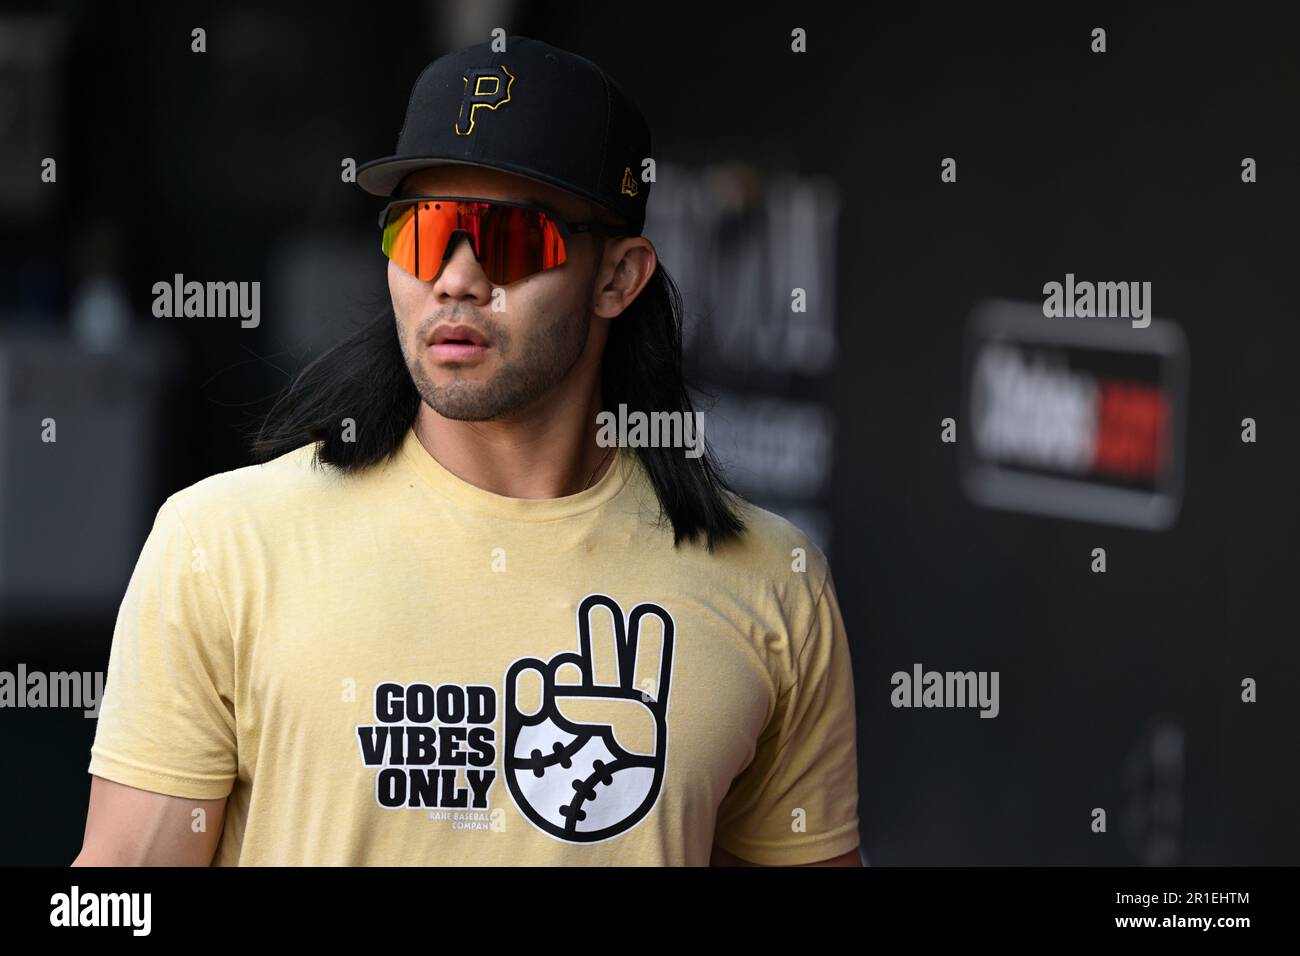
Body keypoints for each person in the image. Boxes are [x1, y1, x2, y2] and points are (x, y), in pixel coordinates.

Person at [74, 35, 860, 866]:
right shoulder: (222, 544)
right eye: (420, 233)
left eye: (510, 241)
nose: (454, 276)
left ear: (618, 279)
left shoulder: (774, 586)